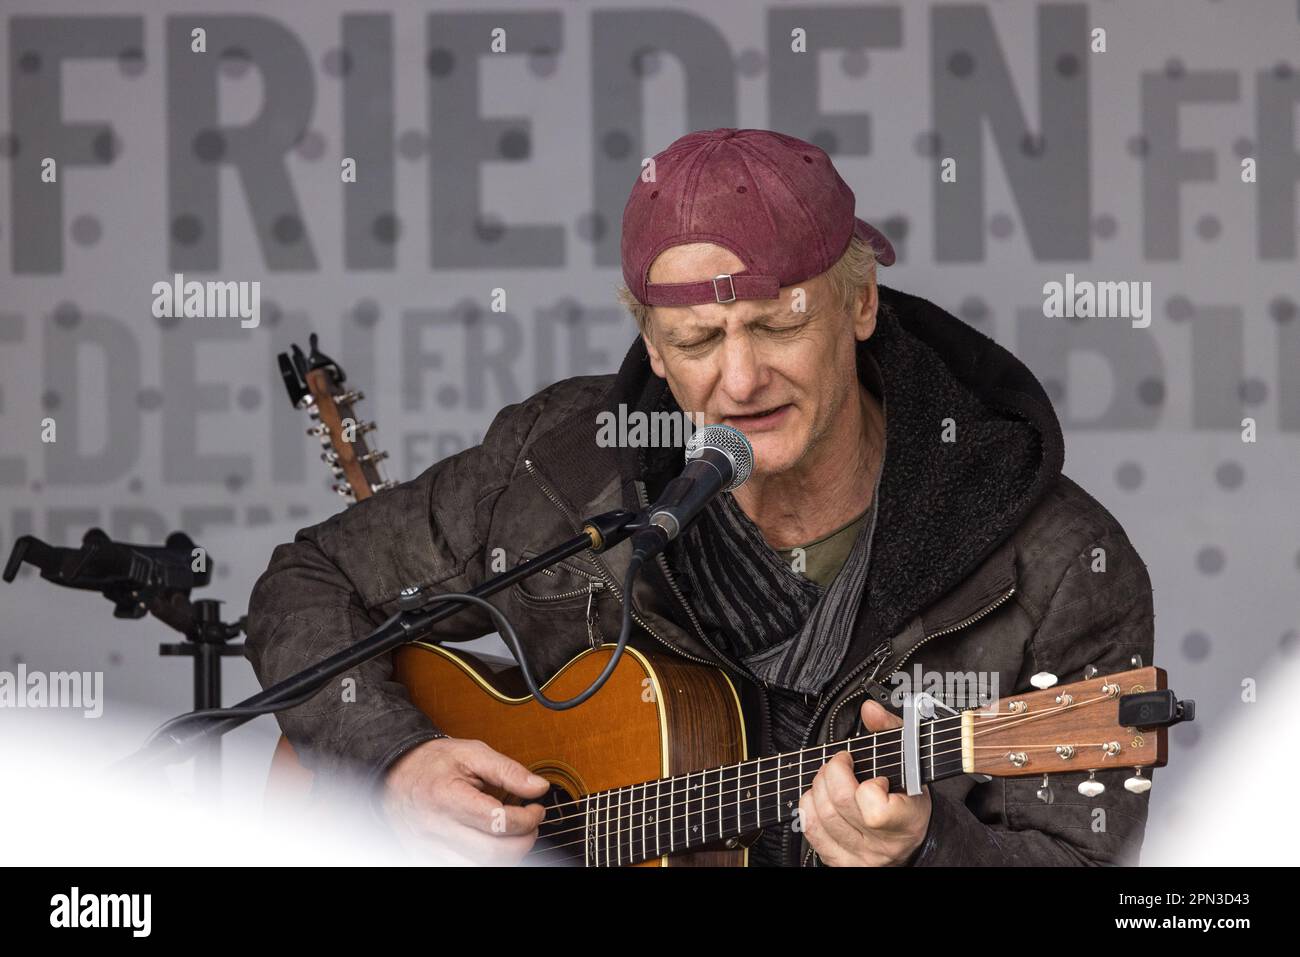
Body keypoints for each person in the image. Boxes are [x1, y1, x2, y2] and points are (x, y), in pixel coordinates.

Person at [246, 128, 1156, 867]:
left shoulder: (1062, 565)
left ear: (862, 304)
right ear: (649, 336)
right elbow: (308, 580)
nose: (740, 377)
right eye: (696, 339)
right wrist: (395, 761)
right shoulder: (562, 464)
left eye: (777, 323)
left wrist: (927, 848)